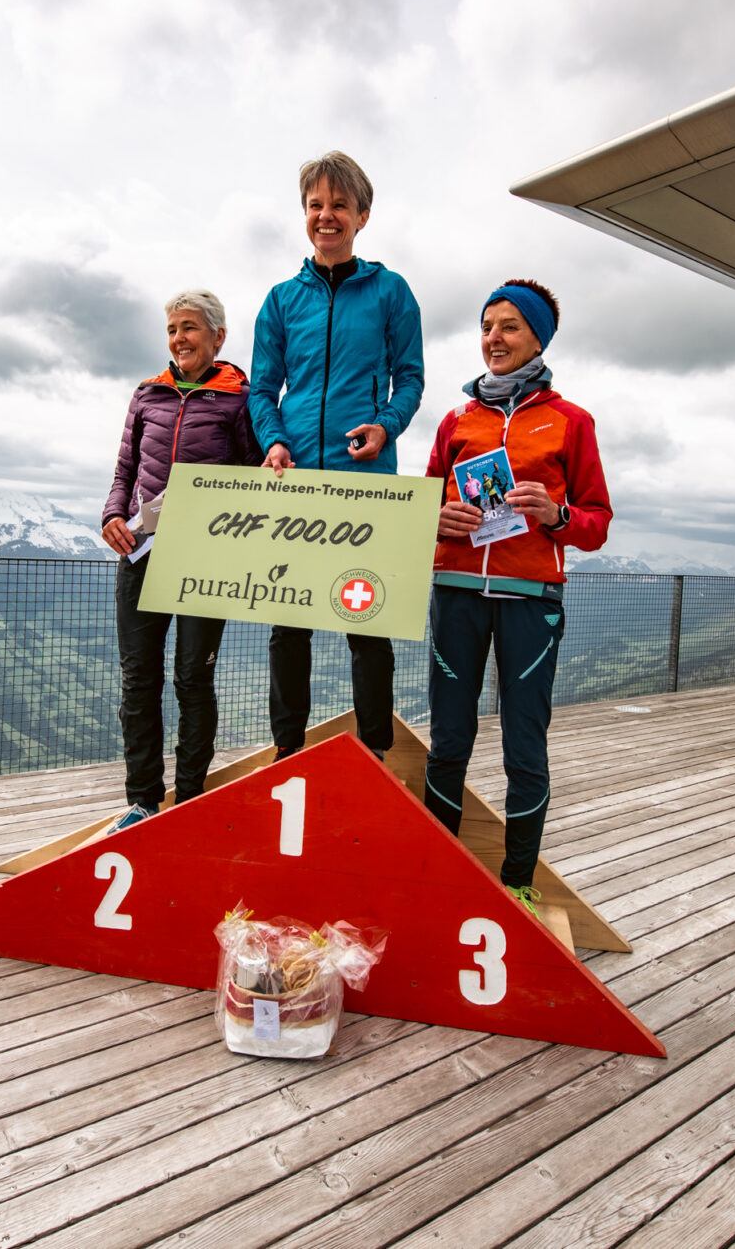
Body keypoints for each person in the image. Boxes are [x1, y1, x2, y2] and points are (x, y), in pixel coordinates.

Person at [422, 280, 611, 912]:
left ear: (537, 337)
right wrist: (438, 516)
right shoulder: (456, 420)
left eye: (508, 327)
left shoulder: (571, 421)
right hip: (455, 591)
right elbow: (422, 503)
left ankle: (519, 883)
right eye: (486, 327)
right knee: (449, 739)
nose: (493, 339)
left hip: (531, 597)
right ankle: (437, 875)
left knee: (522, 742)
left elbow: (597, 522)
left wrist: (557, 515)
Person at [248, 151, 425, 759]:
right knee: (288, 626)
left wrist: (385, 426)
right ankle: (287, 754)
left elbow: (410, 377)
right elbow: (261, 387)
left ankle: (374, 753)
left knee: (366, 622)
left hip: (364, 478)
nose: (327, 216)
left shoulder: (391, 291)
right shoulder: (280, 300)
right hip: (292, 479)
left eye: (339, 206)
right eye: (316, 206)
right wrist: (273, 439)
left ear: (362, 216)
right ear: (305, 215)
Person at [101, 290, 263, 832]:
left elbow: (251, 475)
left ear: (217, 336)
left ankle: (191, 796)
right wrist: (111, 518)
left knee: (193, 677)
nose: (179, 339)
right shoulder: (147, 394)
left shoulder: (239, 399)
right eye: (172, 329)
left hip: (205, 558)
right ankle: (143, 801)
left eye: (190, 328)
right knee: (137, 680)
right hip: (140, 552)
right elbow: (124, 472)